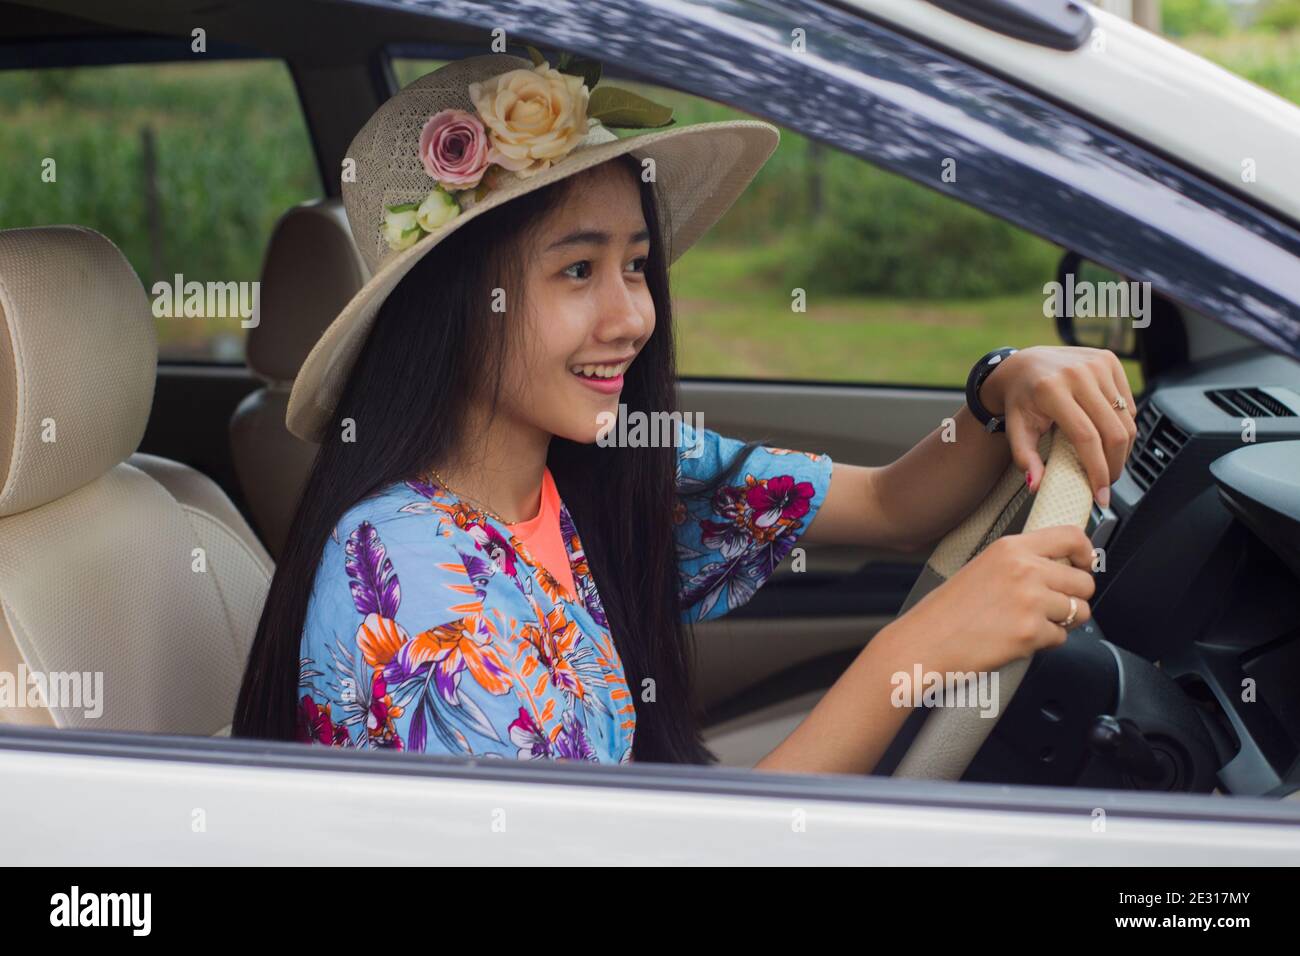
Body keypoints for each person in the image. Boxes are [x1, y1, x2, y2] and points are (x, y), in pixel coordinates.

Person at [233, 53, 1137, 772]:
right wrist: (915, 655)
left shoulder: (606, 468)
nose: (633, 317)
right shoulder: (408, 577)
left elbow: (898, 508)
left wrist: (999, 381)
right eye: (577, 270)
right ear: (455, 306)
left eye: (635, 264)